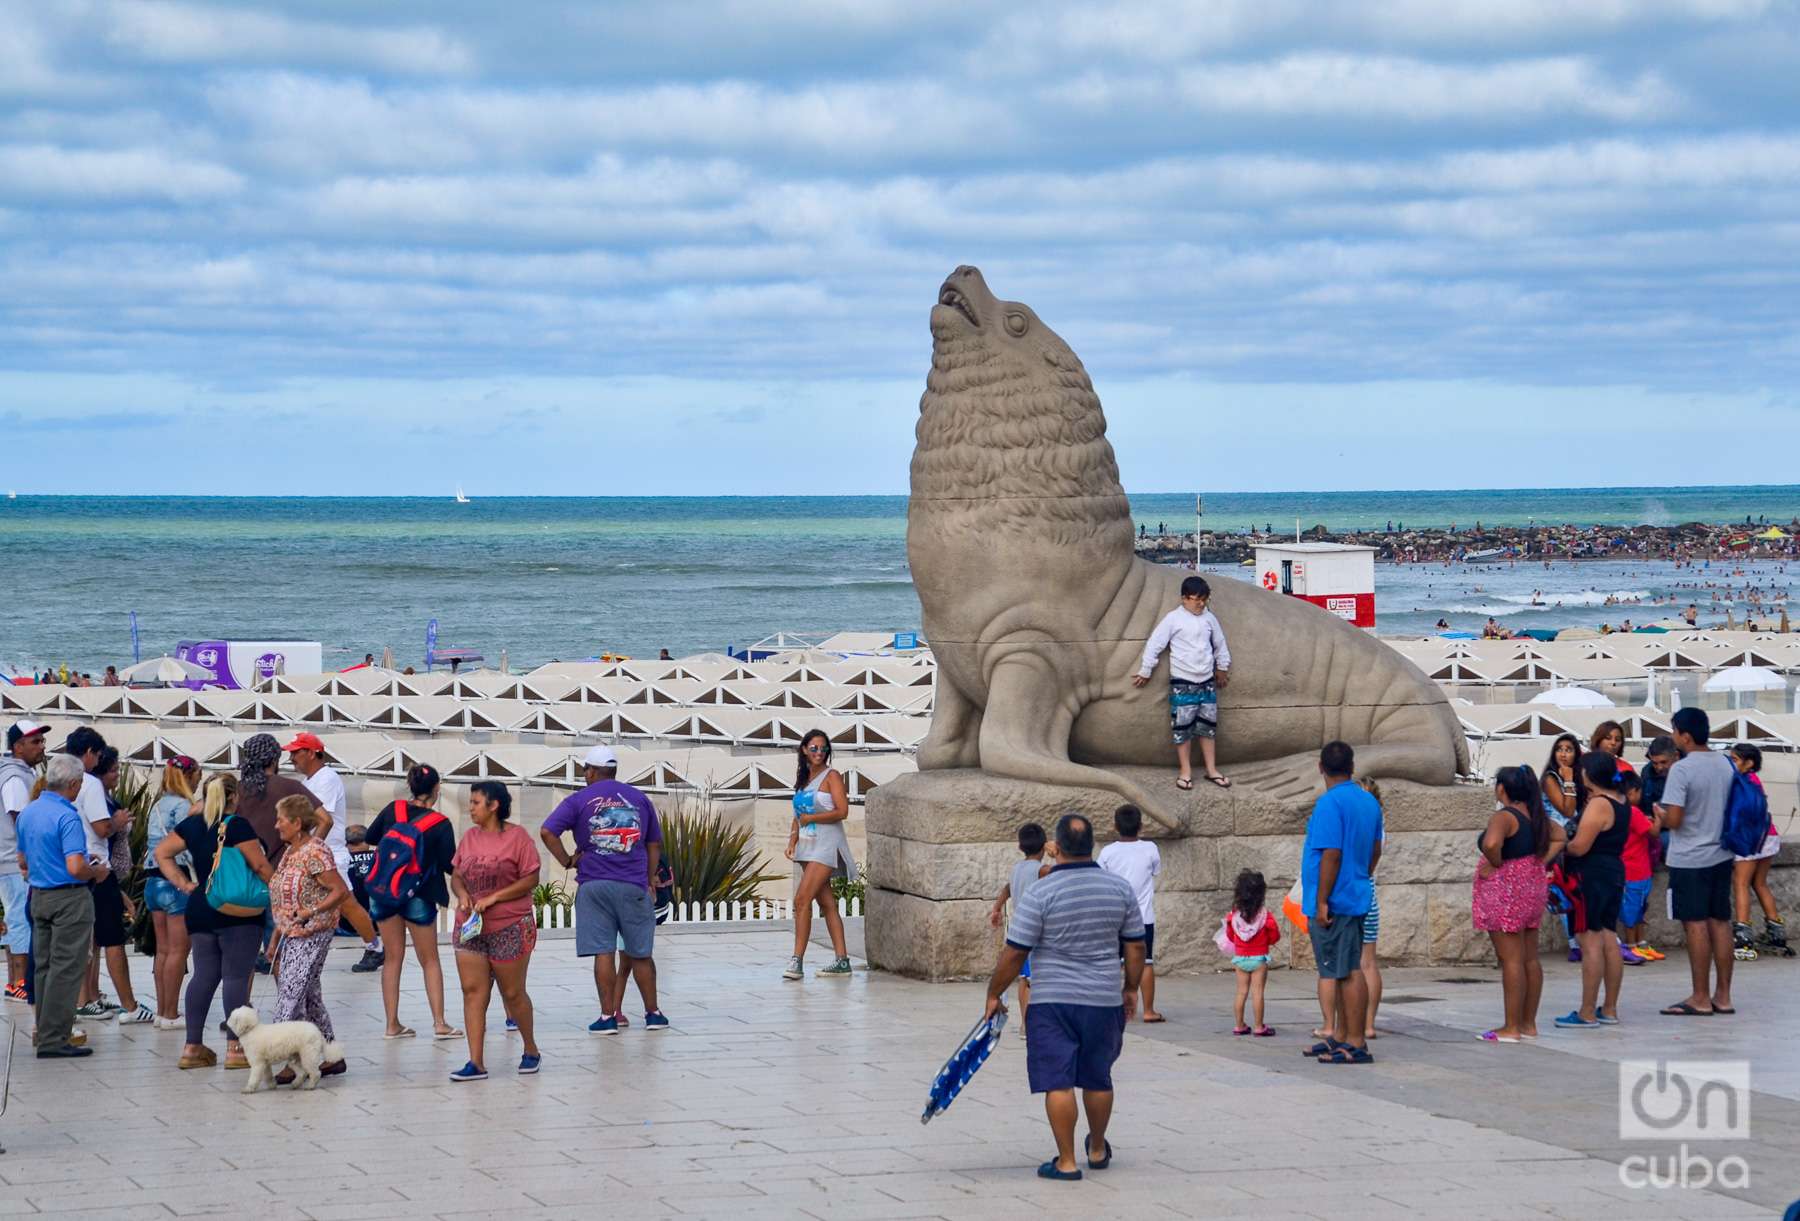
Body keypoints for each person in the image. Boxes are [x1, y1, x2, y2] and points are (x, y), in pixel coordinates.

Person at [983, 813, 1145, 1182]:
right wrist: (1130, 988)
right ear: (1091, 845)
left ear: (1056, 847)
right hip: (1104, 1000)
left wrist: (994, 993)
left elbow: (1015, 952)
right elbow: (1135, 945)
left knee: (1058, 1080)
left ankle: (1067, 1161)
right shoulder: (1119, 888)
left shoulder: (1042, 891)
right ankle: (1099, 1147)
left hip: (1052, 1001)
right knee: (1098, 1077)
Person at [541, 746, 668, 1031]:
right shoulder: (639, 799)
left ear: (594, 771)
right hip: (633, 885)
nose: (584, 775)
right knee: (641, 953)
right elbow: (654, 844)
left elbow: (548, 831)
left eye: (585, 769)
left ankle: (607, 1016)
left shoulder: (578, 800)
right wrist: (648, 879)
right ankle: (653, 1014)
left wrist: (567, 861)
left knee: (603, 951)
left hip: (594, 885)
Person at [155, 772, 272, 1070]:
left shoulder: (193, 824)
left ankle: (192, 1047)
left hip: (200, 905)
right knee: (235, 976)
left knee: (204, 975)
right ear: (234, 796)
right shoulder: (237, 825)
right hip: (237, 910)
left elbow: (161, 852)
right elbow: (258, 864)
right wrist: (281, 889)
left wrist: (183, 883)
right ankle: (236, 1049)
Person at [448, 781, 542, 1081]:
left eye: (476, 802)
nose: (470, 808)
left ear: (493, 806)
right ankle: (476, 1061)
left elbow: (531, 879)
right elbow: (458, 875)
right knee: (473, 992)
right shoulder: (469, 838)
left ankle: (530, 1049)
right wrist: (462, 893)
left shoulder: (518, 838)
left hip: (509, 924)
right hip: (471, 927)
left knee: (512, 993)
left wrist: (496, 897)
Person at [1300, 741, 1382, 1065]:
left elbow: (1331, 854)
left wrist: (1322, 900)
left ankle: (1356, 1042)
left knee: (1347, 971)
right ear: (1352, 766)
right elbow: (1376, 849)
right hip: (1355, 892)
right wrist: (1361, 875)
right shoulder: (1368, 802)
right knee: (1341, 968)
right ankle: (1342, 1036)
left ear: (1321, 767)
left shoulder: (1329, 804)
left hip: (1335, 900)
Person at [366, 764, 460, 1040]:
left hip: (384, 892)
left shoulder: (392, 810)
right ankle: (440, 1022)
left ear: (410, 785)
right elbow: (448, 864)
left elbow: (372, 838)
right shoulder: (439, 823)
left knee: (393, 957)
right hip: (419, 894)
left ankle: (391, 1024)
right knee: (429, 959)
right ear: (437, 789)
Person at [18, 754, 102, 1057]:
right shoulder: (67, 816)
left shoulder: (30, 812)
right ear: (74, 783)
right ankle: (56, 1039)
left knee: (43, 967)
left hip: (38, 895)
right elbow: (76, 866)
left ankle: (45, 1031)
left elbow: (23, 860)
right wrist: (97, 871)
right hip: (69, 897)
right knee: (66, 969)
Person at [1657, 707, 1738, 1017]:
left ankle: (1700, 997)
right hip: (1721, 853)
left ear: (1685, 736)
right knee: (1720, 922)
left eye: (1675, 731)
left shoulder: (1682, 769)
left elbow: (1675, 819)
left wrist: (1662, 815)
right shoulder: (1725, 763)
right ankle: (1723, 995)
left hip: (1690, 857)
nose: (1673, 737)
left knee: (1695, 925)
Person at [1473, 765, 1561, 1043]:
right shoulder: (1535, 816)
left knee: (1510, 959)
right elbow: (1561, 836)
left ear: (1503, 789)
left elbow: (1491, 843)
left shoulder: (1504, 816)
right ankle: (1528, 1023)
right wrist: (1539, 862)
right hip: (1531, 889)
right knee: (1529, 958)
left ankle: (1511, 1027)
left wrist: (1496, 863)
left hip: (1506, 891)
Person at [283, 733, 382, 972]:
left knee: (348, 905)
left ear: (311, 753)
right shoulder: (311, 781)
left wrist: (305, 852)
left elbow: (321, 820)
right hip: (321, 852)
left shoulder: (326, 779)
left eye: (296, 752)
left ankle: (376, 948)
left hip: (329, 853)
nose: (291, 757)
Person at [267, 794, 349, 1082]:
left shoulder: (315, 851)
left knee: (290, 995)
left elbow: (340, 890)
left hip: (312, 932)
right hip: (292, 932)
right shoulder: (291, 851)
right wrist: (276, 937)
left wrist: (310, 911)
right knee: (310, 994)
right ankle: (331, 1054)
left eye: (281, 820)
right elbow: (284, 899)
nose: (276, 826)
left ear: (297, 823)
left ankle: (292, 1060)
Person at [235, 732, 324, 973]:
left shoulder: (237, 791)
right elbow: (324, 820)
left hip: (241, 882)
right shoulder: (290, 787)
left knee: (242, 961)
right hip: (279, 878)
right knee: (280, 956)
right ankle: (287, 1008)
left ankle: (241, 1007)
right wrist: (305, 852)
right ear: (274, 759)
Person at [1132, 575, 1232, 790]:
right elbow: (1155, 644)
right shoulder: (1173, 619)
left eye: (1204, 599)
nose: (1201, 603)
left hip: (1206, 680)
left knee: (1208, 728)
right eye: (1196, 599)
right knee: (1183, 728)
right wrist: (1146, 669)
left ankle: (1211, 769)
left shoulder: (1209, 618)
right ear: (1184, 598)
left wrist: (1222, 667)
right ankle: (1185, 771)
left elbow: (1219, 644)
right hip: (1183, 680)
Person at [1555, 754, 1630, 1029]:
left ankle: (1586, 1011)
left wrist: (1562, 843)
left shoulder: (1599, 803)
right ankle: (1609, 1008)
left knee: (1590, 942)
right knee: (1610, 938)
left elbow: (1580, 846)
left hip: (1590, 875)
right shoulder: (1621, 801)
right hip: (1613, 872)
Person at [81, 746, 152, 1024]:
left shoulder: (97, 795)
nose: (117, 775)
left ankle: (90, 997)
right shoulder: (96, 796)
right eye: (112, 770)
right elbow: (102, 832)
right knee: (112, 939)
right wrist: (117, 822)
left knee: (95, 940)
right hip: (101, 873)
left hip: (105, 876)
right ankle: (129, 1005)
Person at [781, 731, 855, 981]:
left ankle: (797, 959)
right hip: (807, 845)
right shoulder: (804, 779)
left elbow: (842, 811)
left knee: (802, 900)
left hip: (825, 844)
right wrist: (792, 840)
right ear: (804, 749)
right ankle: (842, 959)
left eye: (823, 749)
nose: (818, 753)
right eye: (813, 748)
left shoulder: (831, 776)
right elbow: (797, 814)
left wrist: (813, 818)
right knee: (827, 903)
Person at [143, 756, 199, 1029]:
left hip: (153, 881)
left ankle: (161, 1010)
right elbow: (184, 846)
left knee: (163, 950)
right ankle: (171, 1013)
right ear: (190, 776)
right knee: (179, 950)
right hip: (176, 880)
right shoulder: (184, 806)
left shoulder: (158, 805)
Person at [1097, 804, 1163, 1022]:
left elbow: (1101, 879)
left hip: (1114, 918)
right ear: (1140, 826)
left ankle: (1112, 1009)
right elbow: (1155, 870)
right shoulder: (1150, 848)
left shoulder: (1107, 852)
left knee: (1113, 963)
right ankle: (1148, 1010)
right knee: (1146, 962)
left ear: (1115, 826)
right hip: (1143, 917)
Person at [0, 721, 51, 1003]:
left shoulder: (19, 774)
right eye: (35, 742)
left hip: (10, 862)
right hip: (12, 862)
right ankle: (19, 981)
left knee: (16, 919)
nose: (41, 746)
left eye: (41, 741)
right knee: (20, 920)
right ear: (18, 747)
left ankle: (14, 981)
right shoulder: (15, 778)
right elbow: (21, 821)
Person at [1728, 743, 1785, 959]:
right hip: (1768, 836)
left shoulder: (1740, 782)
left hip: (1749, 839)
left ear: (1748, 763)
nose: (1731, 763)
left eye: (1734, 759)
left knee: (1741, 883)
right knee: (1759, 883)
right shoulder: (1755, 781)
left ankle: (1743, 936)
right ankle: (1776, 932)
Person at [989, 822, 1048, 1028]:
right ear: (1044, 846)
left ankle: (1025, 1023)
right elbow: (1063, 875)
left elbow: (1007, 889)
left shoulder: (1017, 868)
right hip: (1037, 934)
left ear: (1020, 847)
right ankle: (1031, 1023)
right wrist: (1058, 853)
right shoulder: (1042, 869)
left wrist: (996, 908)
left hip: (1018, 931)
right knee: (1033, 980)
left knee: (1024, 978)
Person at [1221, 869, 1279, 1037]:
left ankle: (1239, 1025)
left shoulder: (1234, 916)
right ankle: (1259, 1026)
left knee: (1241, 992)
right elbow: (1274, 935)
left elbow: (1230, 935)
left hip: (1240, 958)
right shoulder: (1265, 916)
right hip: (1259, 958)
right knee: (1257, 992)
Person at [1618, 774, 1663, 963]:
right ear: (1632, 792)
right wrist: (1659, 818)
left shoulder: (1621, 812)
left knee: (1638, 910)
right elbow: (1653, 832)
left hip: (1637, 870)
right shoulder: (1633, 812)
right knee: (1633, 911)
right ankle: (1632, 945)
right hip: (1634, 871)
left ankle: (1640, 943)